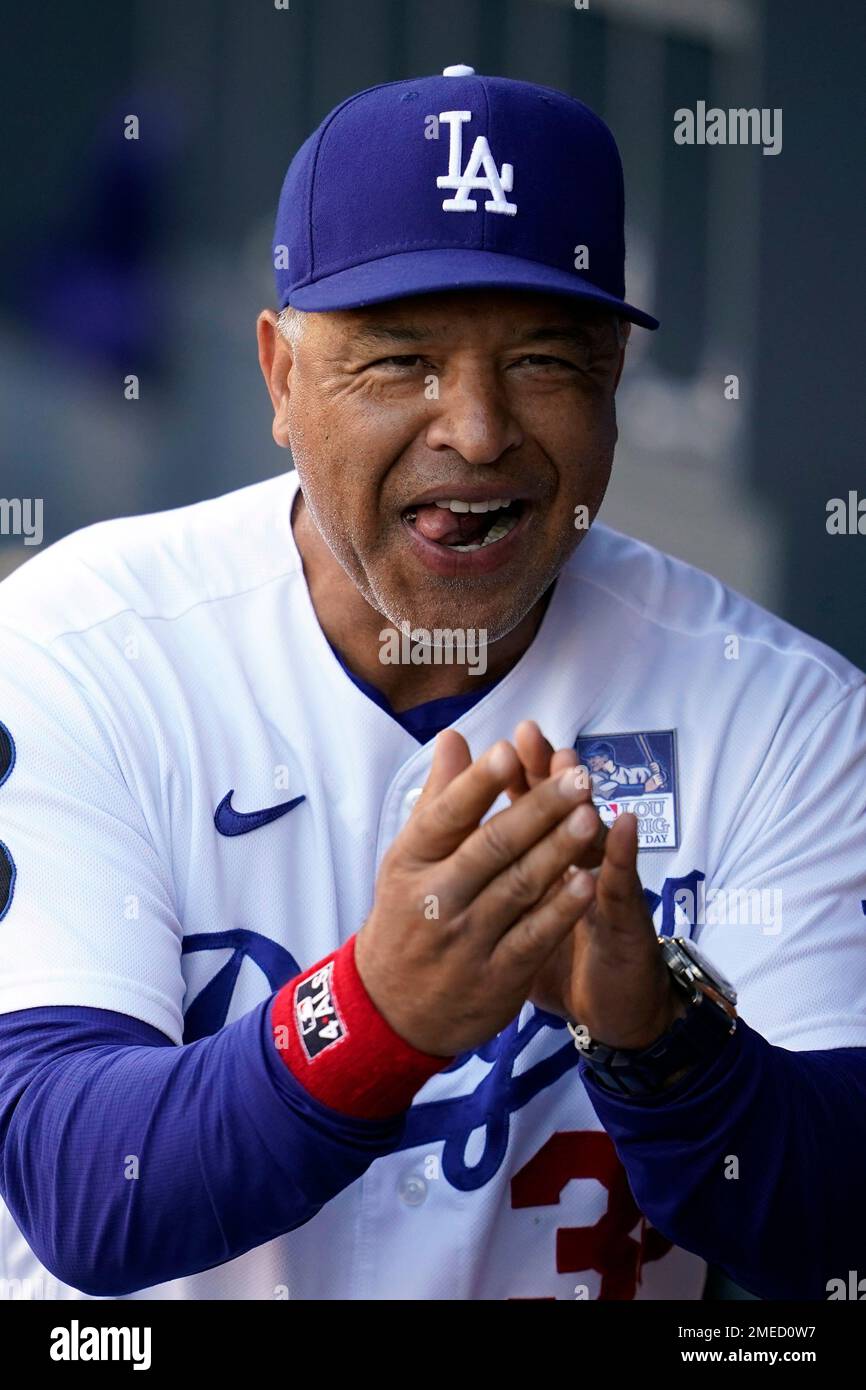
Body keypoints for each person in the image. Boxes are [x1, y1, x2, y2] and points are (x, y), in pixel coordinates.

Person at [0, 65, 864, 1303]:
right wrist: (373, 1014)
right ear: (279, 378)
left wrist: (661, 1043)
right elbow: (82, 1188)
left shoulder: (782, 714)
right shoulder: (77, 650)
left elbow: (823, 1226)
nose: (474, 427)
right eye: (398, 359)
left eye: (542, 361)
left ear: (615, 374)